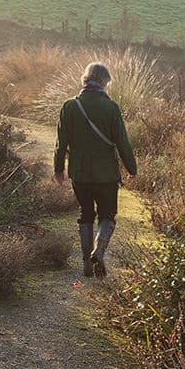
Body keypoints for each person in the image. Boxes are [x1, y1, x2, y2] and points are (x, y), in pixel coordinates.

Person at [54, 61, 138, 278]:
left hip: (80, 174)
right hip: (106, 174)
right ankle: (99, 251)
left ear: (86, 79)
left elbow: (61, 143)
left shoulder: (69, 106)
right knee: (107, 214)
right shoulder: (111, 107)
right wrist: (132, 168)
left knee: (86, 214)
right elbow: (122, 142)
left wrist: (58, 169)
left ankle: (86, 264)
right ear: (103, 81)